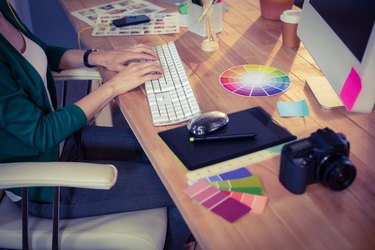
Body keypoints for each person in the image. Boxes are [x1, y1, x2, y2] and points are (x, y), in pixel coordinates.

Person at [0, 1, 191, 249]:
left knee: (176, 150)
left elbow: (43, 53)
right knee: (184, 187)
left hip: (64, 145)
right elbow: (41, 133)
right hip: (40, 185)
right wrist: (113, 87)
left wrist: (100, 57)